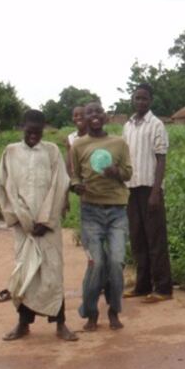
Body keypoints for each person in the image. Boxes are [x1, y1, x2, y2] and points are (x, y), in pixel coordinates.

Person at [0, 109, 78, 342]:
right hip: (23, 227)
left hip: (47, 226)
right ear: (22, 127)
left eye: (38, 132)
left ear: (44, 129)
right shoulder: (10, 152)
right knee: (25, 274)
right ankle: (23, 324)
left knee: (53, 273)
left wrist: (45, 220)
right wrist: (21, 219)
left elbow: (59, 184)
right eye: (30, 131)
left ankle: (60, 324)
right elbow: (4, 187)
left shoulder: (52, 152)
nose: (34, 136)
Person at [70, 100, 132, 331]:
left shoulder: (119, 143)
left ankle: (114, 311)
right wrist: (76, 187)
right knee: (96, 263)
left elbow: (128, 174)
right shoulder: (78, 145)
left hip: (117, 210)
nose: (94, 116)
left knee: (116, 262)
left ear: (105, 116)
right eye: (89, 113)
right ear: (83, 119)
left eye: (98, 111)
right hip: (91, 211)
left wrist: (116, 172)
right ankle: (91, 313)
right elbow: (75, 175)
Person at [122, 83, 173, 302]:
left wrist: (155, 191)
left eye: (144, 98)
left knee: (156, 240)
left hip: (150, 190)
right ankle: (142, 285)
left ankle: (163, 288)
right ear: (132, 100)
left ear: (150, 101)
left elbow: (161, 159)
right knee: (138, 239)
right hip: (131, 189)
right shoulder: (128, 126)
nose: (140, 102)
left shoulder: (156, 125)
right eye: (137, 98)